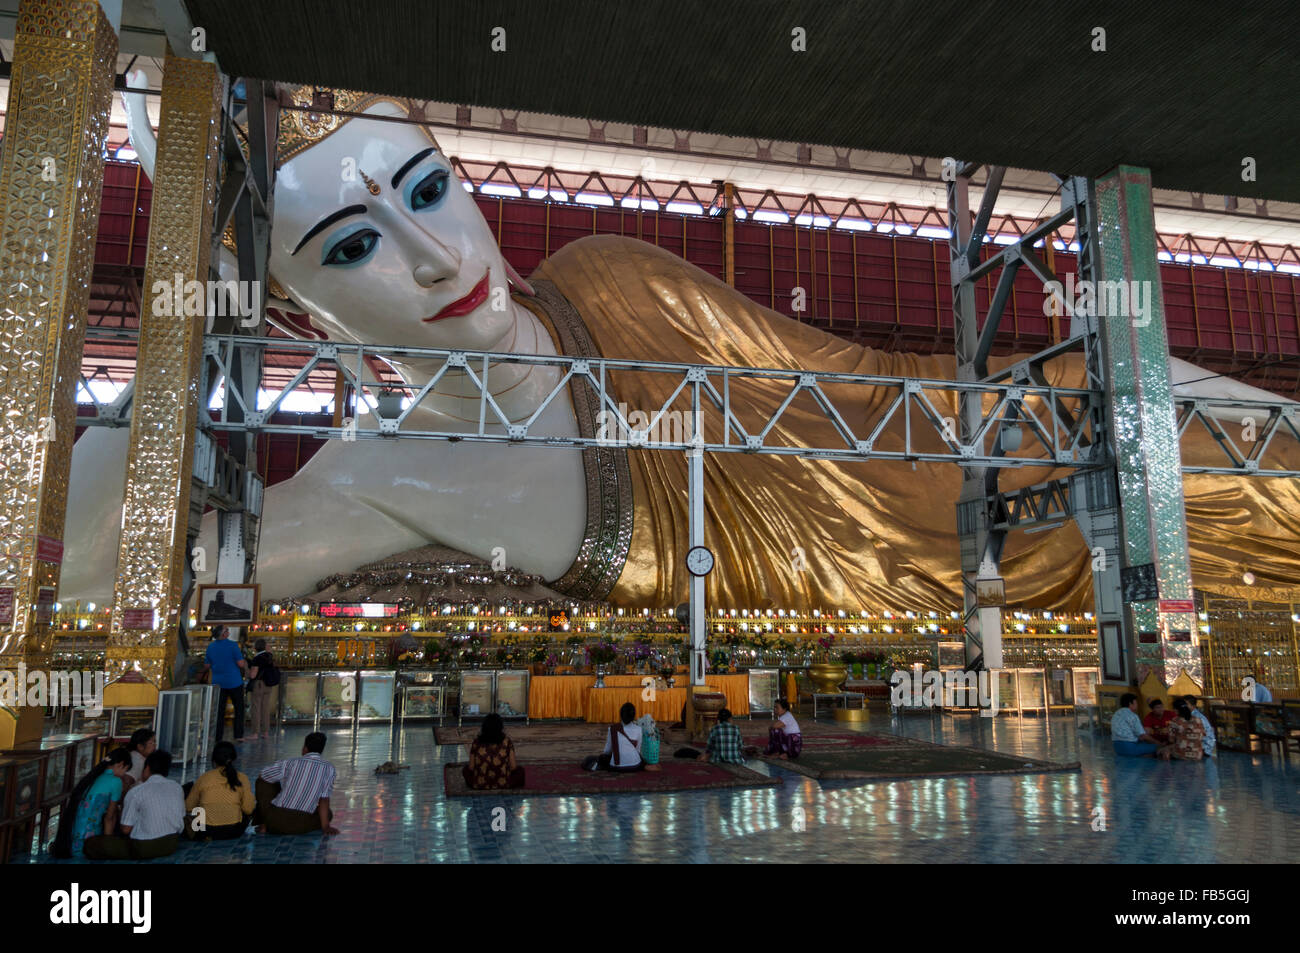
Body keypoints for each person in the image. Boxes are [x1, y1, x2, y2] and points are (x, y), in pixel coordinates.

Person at [83, 750, 185, 859]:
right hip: (172, 843)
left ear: (147, 768)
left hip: (144, 847)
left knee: (92, 844)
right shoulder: (177, 787)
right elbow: (181, 816)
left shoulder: (137, 791)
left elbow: (126, 829)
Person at [51, 747, 132, 859]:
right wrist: (107, 846)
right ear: (120, 764)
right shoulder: (116, 782)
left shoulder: (92, 777)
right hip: (91, 834)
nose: (124, 774)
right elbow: (109, 817)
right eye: (125, 769)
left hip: (73, 832)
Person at [256, 732, 339, 835]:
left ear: (305, 748)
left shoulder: (290, 762)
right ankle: (271, 824)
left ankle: (264, 823)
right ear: (322, 750)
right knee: (328, 813)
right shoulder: (329, 768)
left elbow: (263, 775)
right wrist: (326, 826)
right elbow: (324, 799)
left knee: (263, 781)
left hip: (275, 820)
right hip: (301, 825)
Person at [184, 741, 255, 839]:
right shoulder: (242, 778)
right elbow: (248, 809)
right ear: (233, 759)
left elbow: (189, 807)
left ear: (214, 759)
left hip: (204, 832)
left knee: (188, 789)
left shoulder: (204, 778)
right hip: (234, 831)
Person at [203, 625, 247, 742]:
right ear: (223, 634)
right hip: (234, 682)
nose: (228, 631)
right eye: (226, 630)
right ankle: (238, 735)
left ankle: (218, 736)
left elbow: (207, 665)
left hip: (218, 682)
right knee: (239, 709)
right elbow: (241, 664)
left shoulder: (211, 647)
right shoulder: (233, 646)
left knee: (219, 710)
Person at [462, 713, 525, 789]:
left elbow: (471, 767)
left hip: (480, 783)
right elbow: (513, 767)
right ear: (500, 727)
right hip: (503, 783)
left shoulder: (476, 742)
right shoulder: (507, 742)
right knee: (521, 771)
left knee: (465, 770)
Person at [585, 702, 643, 772]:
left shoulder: (612, 729)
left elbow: (607, 751)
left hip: (616, 767)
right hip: (635, 766)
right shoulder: (639, 729)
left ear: (620, 715)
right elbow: (638, 750)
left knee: (592, 759)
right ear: (633, 716)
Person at [247, 638, 281, 740]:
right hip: (268, 685)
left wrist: (246, 669)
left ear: (255, 647)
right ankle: (265, 732)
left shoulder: (257, 659)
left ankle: (255, 733)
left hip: (259, 685)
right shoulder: (270, 656)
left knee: (256, 709)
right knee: (265, 709)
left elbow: (253, 675)